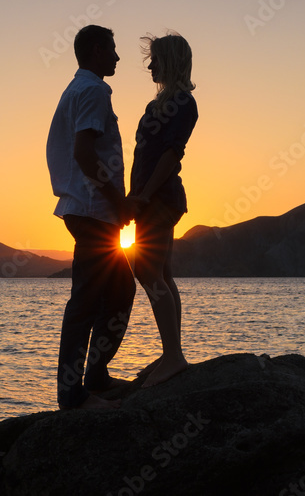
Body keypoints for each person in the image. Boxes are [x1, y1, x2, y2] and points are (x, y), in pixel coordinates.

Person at [46, 24, 137, 410]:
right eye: (113, 50)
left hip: (86, 208)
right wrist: (117, 200)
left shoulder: (77, 88)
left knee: (119, 290)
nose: (118, 57)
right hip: (92, 209)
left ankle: (95, 377)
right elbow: (85, 153)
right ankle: (72, 395)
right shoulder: (94, 90)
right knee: (85, 301)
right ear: (97, 50)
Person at [128, 31, 198, 388]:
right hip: (149, 199)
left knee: (146, 269)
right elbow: (144, 156)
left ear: (170, 60)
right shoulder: (156, 105)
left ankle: (173, 356)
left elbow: (172, 154)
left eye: (155, 59)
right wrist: (133, 195)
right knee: (163, 273)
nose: (150, 65)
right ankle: (172, 350)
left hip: (162, 199)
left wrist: (143, 196)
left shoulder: (184, 103)